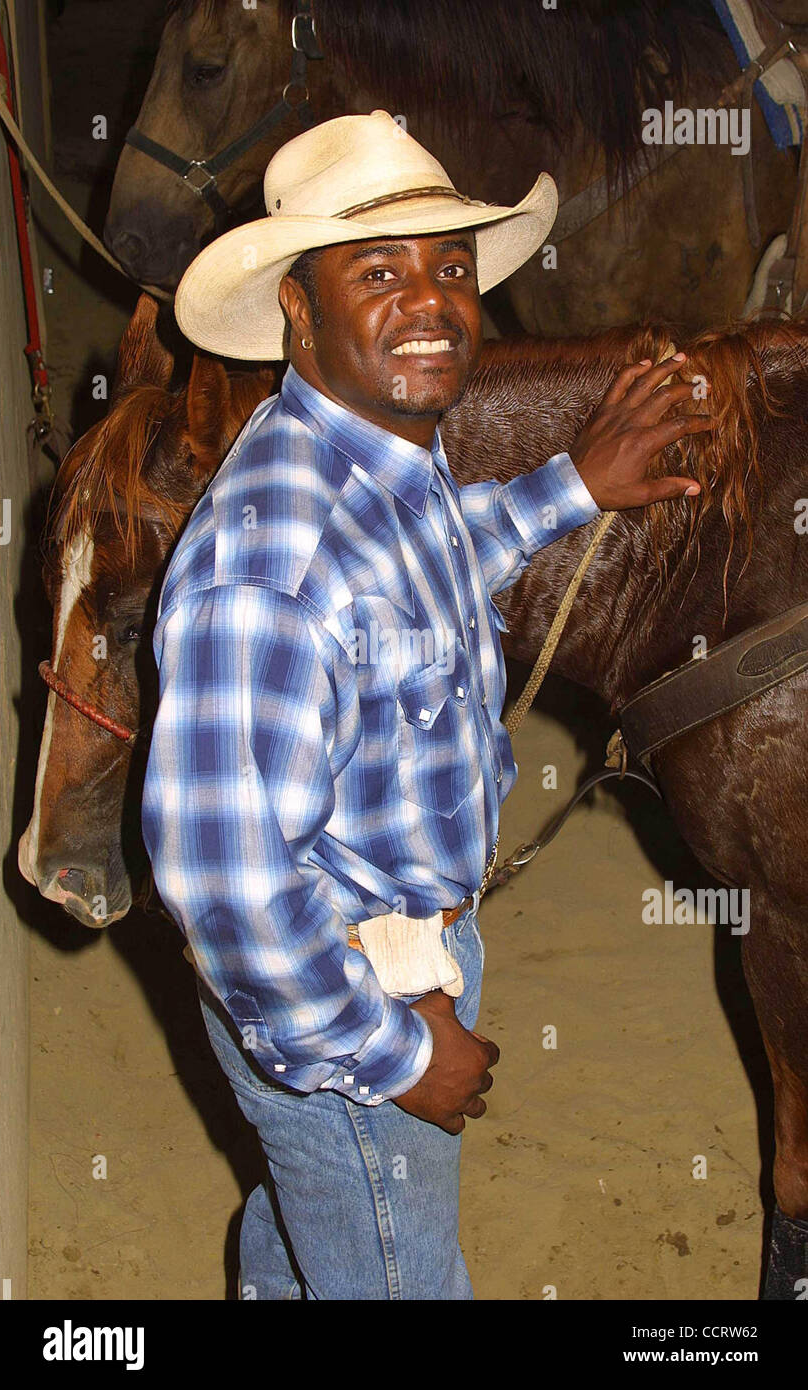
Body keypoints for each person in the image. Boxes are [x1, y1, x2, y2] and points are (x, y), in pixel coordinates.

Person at [141, 110, 710, 1300]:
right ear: (296, 307)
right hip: (348, 991)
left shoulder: (372, 451)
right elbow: (223, 873)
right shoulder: (270, 563)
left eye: (449, 266)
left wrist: (568, 487)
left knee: (305, 1229)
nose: (432, 300)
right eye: (378, 271)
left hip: (375, 962)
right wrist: (397, 1053)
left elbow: (414, 574)